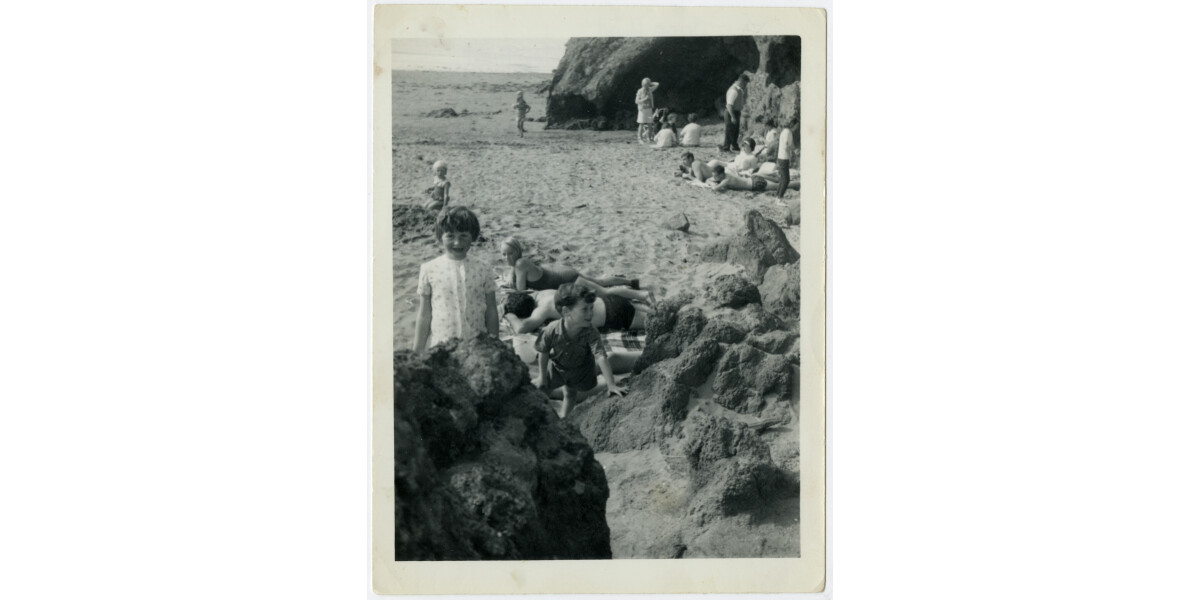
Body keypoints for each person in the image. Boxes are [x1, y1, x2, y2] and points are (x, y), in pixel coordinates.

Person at [413, 207, 500, 353]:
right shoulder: (429, 269)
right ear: (441, 236)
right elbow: (424, 314)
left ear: (473, 236)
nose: (457, 243)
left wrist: (495, 343)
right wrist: (417, 350)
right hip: (442, 345)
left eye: (464, 236)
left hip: (477, 344)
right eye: (450, 236)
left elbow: (491, 309)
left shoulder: (484, 268)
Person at [535, 283, 627, 418]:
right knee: (542, 390)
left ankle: (564, 419)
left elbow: (601, 356)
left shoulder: (591, 332)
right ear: (566, 311)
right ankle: (538, 417)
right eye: (585, 309)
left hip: (579, 370)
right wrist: (542, 376)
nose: (591, 314)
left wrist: (611, 384)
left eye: (592, 308)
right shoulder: (552, 329)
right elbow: (543, 352)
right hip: (557, 367)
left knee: (570, 394)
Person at [500, 237, 637, 292]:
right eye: (504, 254)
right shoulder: (520, 263)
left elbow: (521, 291)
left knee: (603, 291)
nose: (507, 257)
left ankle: (636, 292)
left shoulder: (520, 264)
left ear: (517, 251)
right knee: (600, 281)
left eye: (510, 253)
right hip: (564, 272)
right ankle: (631, 282)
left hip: (568, 279)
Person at [503, 287, 653, 334]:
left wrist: (509, 315)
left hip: (614, 315)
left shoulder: (543, 309)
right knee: (655, 313)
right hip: (610, 301)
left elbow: (521, 328)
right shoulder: (545, 293)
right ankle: (646, 298)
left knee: (659, 322)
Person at [708, 164, 799, 193]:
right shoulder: (727, 174)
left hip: (755, 184)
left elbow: (715, 188)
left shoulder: (726, 180)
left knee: (779, 186)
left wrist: (712, 184)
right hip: (754, 177)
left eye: (716, 176)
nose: (714, 178)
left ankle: (798, 183)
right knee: (778, 182)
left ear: (721, 175)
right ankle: (795, 181)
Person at [720, 73, 749, 152]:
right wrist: (732, 117)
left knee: (735, 130)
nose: (745, 85)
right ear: (742, 82)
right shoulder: (734, 91)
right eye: (745, 83)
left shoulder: (738, 90)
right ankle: (726, 147)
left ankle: (734, 146)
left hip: (735, 111)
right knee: (729, 130)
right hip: (731, 112)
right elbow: (729, 105)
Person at [776, 117, 797, 201]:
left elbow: (790, 145)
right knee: (786, 180)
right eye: (796, 126)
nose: (796, 128)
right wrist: (791, 155)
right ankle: (779, 198)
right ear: (792, 124)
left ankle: (778, 196)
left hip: (781, 157)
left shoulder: (785, 131)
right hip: (784, 157)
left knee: (782, 178)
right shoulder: (788, 132)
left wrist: (794, 150)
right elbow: (786, 146)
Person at [635, 78, 660, 144]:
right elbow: (636, 101)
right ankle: (640, 138)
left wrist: (650, 83)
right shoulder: (640, 91)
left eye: (647, 84)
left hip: (649, 108)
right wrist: (644, 99)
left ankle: (649, 138)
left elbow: (657, 84)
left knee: (649, 123)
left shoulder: (650, 89)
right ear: (642, 84)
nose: (646, 86)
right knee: (641, 123)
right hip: (642, 109)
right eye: (645, 85)